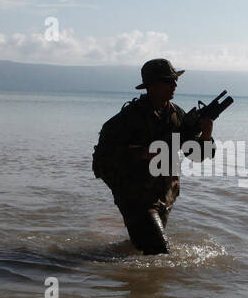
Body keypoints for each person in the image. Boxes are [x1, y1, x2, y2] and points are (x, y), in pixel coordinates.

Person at [92, 59, 216, 255]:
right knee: (160, 253)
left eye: (175, 80)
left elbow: (197, 155)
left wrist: (207, 135)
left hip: (165, 195)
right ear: (151, 86)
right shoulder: (127, 119)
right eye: (168, 81)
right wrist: (141, 153)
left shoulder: (177, 116)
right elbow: (100, 163)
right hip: (135, 198)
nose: (174, 85)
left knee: (142, 250)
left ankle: (120, 274)